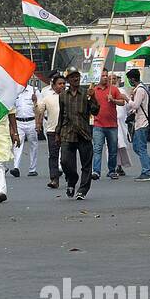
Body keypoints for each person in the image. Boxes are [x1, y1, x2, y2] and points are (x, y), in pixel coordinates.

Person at [56, 67, 99, 201]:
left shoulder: (86, 93)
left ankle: (82, 190)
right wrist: (57, 133)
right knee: (65, 161)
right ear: (68, 79)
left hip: (84, 133)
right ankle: (72, 180)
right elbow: (61, 116)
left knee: (86, 164)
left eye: (77, 76)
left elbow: (95, 111)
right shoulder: (63, 96)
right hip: (67, 133)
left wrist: (93, 97)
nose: (75, 79)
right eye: (72, 77)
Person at [89, 73, 128, 180]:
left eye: (106, 75)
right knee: (97, 149)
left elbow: (122, 102)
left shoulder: (114, 89)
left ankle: (112, 170)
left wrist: (114, 100)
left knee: (112, 150)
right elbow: (89, 104)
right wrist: (90, 95)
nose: (105, 77)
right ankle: (96, 171)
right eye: (103, 76)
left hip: (112, 125)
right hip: (98, 125)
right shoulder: (94, 90)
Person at [124, 70, 150, 181]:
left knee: (141, 148)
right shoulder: (140, 88)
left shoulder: (140, 90)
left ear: (132, 79)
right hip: (139, 122)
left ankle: (146, 171)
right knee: (136, 146)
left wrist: (126, 98)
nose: (129, 81)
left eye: (129, 79)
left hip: (142, 123)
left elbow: (135, 105)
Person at [36, 74, 65, 190]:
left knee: (67, 156)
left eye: (63, 83)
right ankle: (54, 179)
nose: (62, 86)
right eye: (59, 83)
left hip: (67, 130)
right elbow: (39, 110)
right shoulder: (47, 98)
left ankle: (70, 177)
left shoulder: (69, 96)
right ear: (53, 85)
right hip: (53, 130)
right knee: (53, 155)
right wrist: (35, 103)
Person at [11, 83, 39, 178]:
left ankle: (32, 169)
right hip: (19, 122)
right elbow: (12, 108)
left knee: (33, 145)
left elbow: (40, 107)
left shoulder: (34, 91)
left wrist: (35, 101)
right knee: (17, 144)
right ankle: (16, 167)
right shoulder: (15, 91)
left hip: (31, 121)